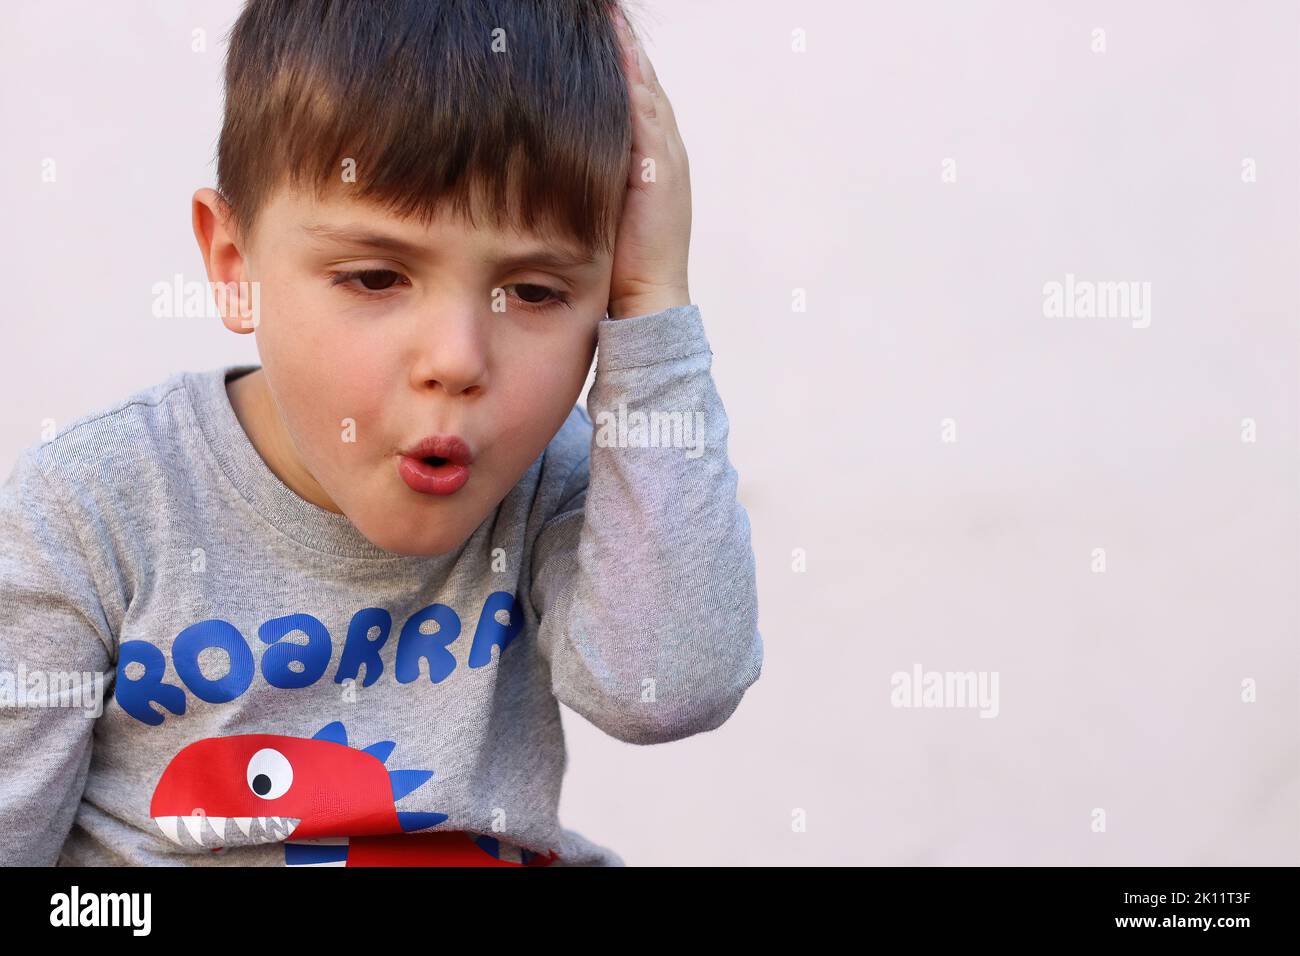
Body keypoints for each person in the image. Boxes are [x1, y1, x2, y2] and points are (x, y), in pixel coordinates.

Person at [0, 0, 761, 866]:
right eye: (374, 276)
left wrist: (657, 306)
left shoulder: (561, 484)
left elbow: (670, 690)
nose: (457, 360)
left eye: (539, 292)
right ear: (234, 264)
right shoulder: (91, 513)